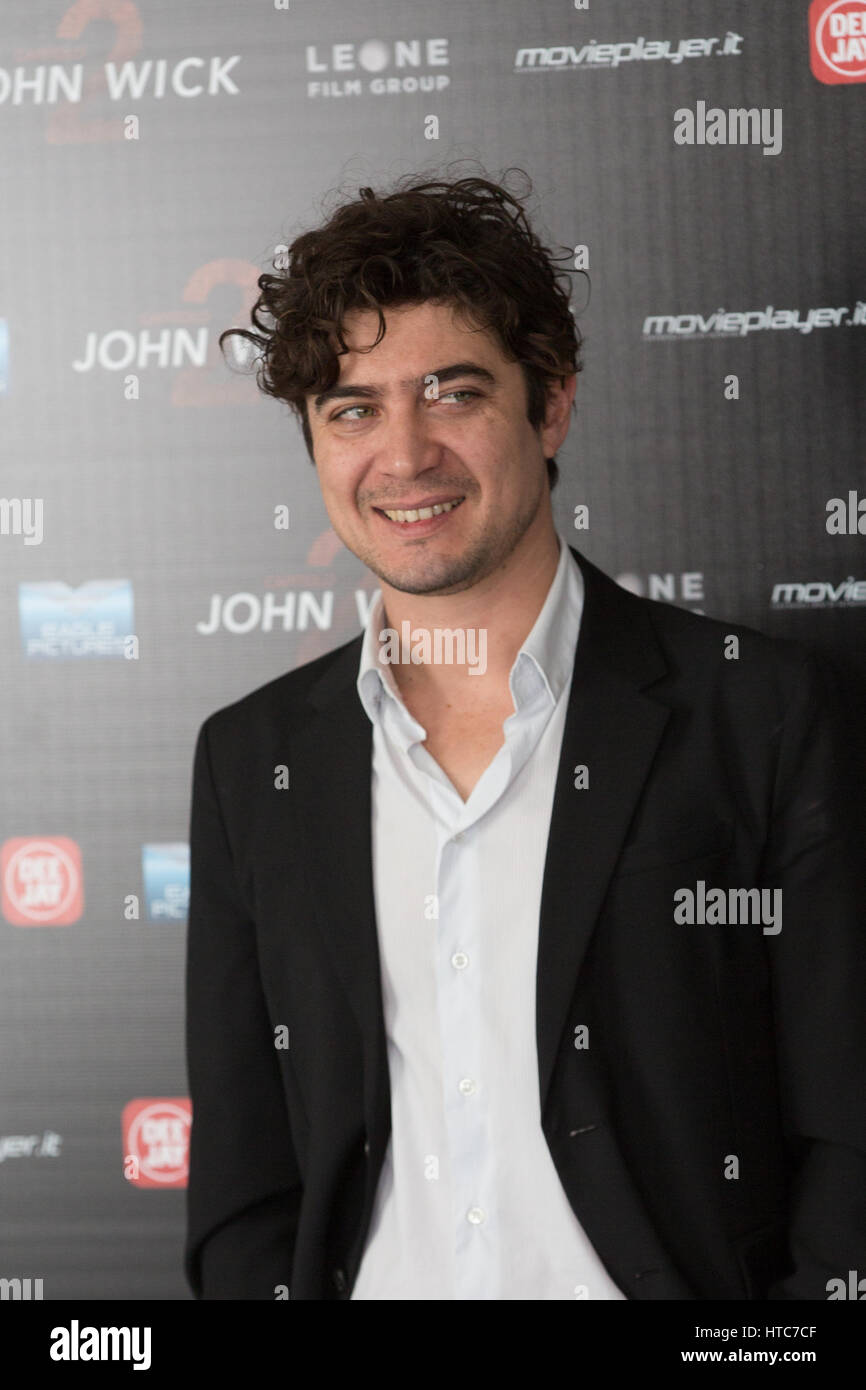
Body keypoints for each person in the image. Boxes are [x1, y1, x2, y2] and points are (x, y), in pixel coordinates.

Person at [184, 169, 866, 1300]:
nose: (402, 456)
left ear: (549, 402)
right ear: (312, 440)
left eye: (450, 393)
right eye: (353, 408)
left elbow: (850, 1138)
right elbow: (246, 1183)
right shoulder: (252, 760)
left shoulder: (759, 711)